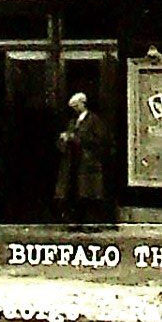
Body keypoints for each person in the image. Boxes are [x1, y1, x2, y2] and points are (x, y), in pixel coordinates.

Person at [54, 90, 110, 223]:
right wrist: (64, 139)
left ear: (82, 104)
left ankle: (90, 220)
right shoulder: (73, 122)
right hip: (73, 162)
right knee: (74, 191)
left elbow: (99, 140)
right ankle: (75, 219)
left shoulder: (94, 120)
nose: (75, 109)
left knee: (88, 193)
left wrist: (76, 138)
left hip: (88, 162)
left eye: (76, 106)